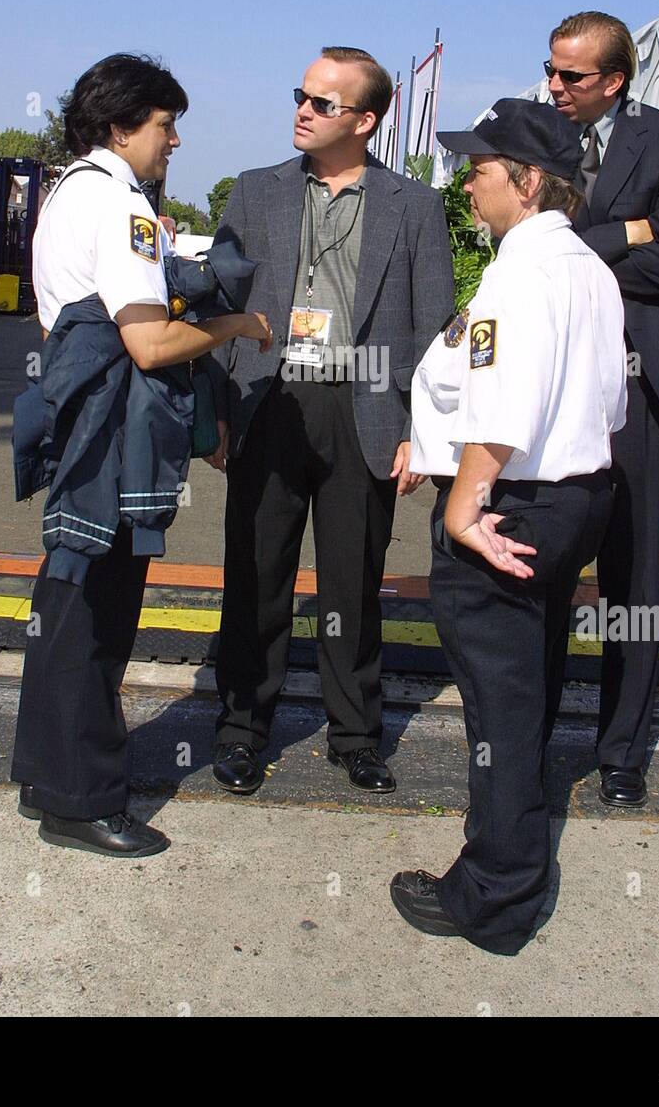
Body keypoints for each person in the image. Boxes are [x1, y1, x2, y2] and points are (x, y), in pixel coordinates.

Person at [9, 53, 271, 858]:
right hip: (111, 439)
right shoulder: (120, 204)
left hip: (81, 424)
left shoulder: (68, 192)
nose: (175, 141)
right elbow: (151, 342)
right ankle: (81, 802)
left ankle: (48, 777)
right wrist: (237, 325)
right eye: (165, 124)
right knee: (94, 616)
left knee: (67, 604)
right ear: (122, 126)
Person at [390, 98, 627, 954]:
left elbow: (509, 397)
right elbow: (607, 397)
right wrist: (435, 436)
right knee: (527, 683)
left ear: (527, 182)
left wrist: (463, 499)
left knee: (500, 700)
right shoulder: (588, 269)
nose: (467, 184)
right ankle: (513, 847)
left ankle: (494, 895)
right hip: (573, 497)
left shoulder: (519, 272)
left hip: (509, 502)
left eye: (481, 169)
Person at [205, 46, 455, 795]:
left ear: (365, 120)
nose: (303, 111)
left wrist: (424, 431)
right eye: (301, 96)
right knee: (255, 576)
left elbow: (433, 327)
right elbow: (219, 307)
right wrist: (219, 413)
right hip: (270, 400)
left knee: (353, 583)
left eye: (322, 102)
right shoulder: (254, 193)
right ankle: (243, 729)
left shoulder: (414, 205)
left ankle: (355, 736)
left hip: (365, 404)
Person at [545, 12, 659, 808]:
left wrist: (584, 240)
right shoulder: (538, 137)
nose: (554, 86)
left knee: (634, 575)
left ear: (614, 80)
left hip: (644, 384)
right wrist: (628, 232)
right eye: (550, 70)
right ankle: (530, 736)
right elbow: (517, 240)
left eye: (570, 76)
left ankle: (621, 752)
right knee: (545, 561)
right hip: (555, 378)